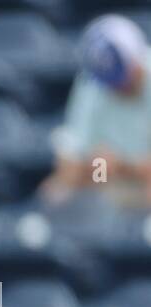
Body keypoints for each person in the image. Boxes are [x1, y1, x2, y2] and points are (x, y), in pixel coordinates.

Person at [41, 14, 151, 208]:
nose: (119, 87)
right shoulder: (93, 86)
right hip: (111, 185)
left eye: (123, 75)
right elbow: (73, 162)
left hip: (138, 182)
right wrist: (99, 168)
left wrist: (123, 166)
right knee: (56, 193)